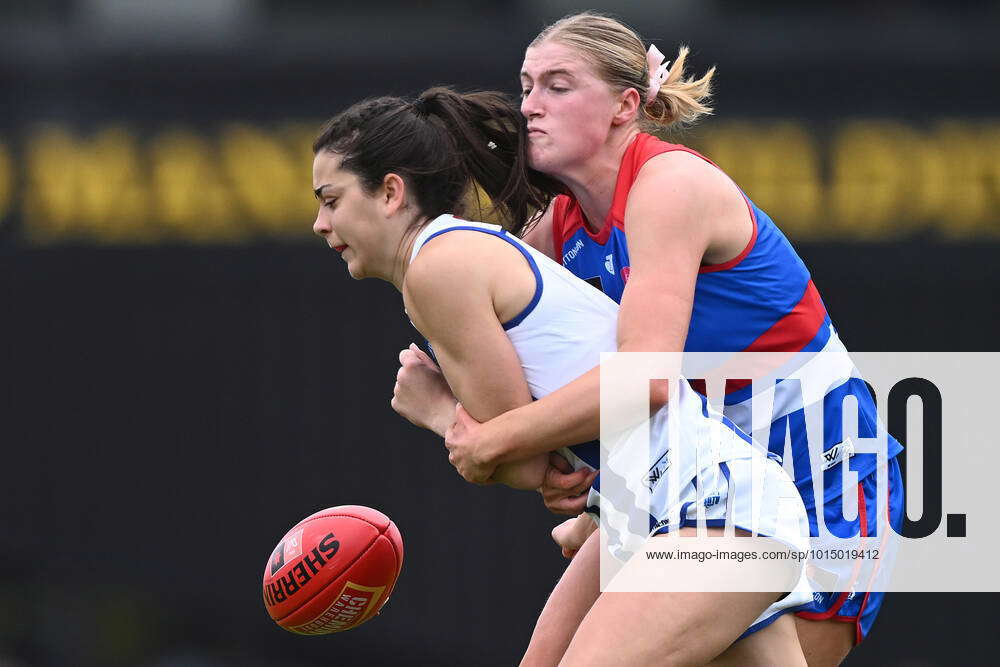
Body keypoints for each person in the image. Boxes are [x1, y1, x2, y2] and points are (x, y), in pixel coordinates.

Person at [392, 12, 904, 667]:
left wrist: (490, 435)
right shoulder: (558, 228)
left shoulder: (669, 187)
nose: (530, 108)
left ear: (625, 104)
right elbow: (526, 435)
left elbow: (647, 379)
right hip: (698, 480)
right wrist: (468, 421)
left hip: (818, 471)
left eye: (557, 86)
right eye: (526, 87)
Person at [313, 86, 812, 665]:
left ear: (391, 192)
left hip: (710, 509)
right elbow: (535, 454)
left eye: (331, 199)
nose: (321, 223)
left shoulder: (436, 270)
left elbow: (522, 461)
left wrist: (437, 411)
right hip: (665, 511)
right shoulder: (456, 256)